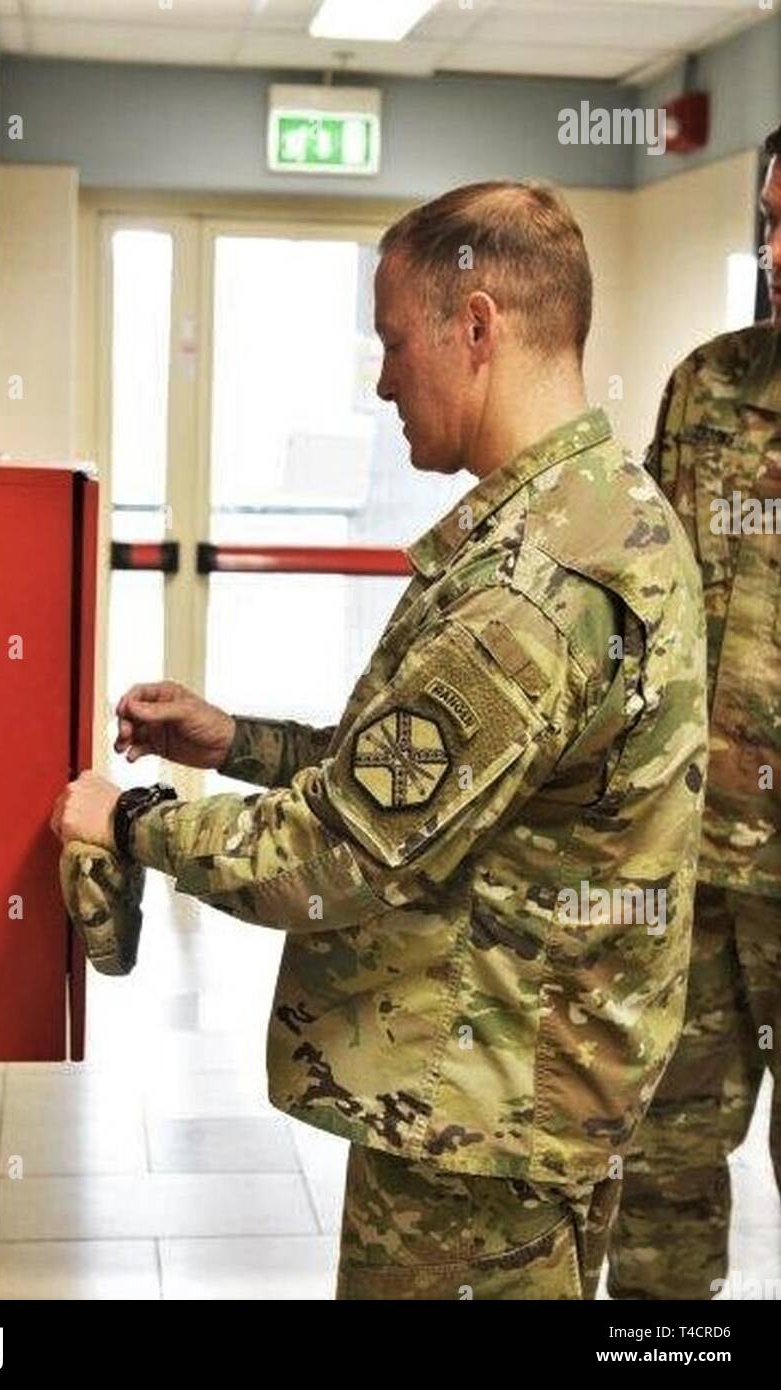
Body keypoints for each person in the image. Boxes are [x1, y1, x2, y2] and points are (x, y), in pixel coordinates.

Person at [52, 180, 708, 1300]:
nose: (383, 378)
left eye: (394, 341)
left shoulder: (533, 588)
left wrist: (126, 819)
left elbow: (339, 854)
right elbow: (439, 792)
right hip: (514, 1110)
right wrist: (237, 742)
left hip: (480, 1142)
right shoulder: (602, 513)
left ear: (477, 327)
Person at [607, 124, 781, 1301]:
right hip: (699, 870)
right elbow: (651, 618)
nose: (779, 246)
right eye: (770, 220)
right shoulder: (711, 385)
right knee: (661, 1171)